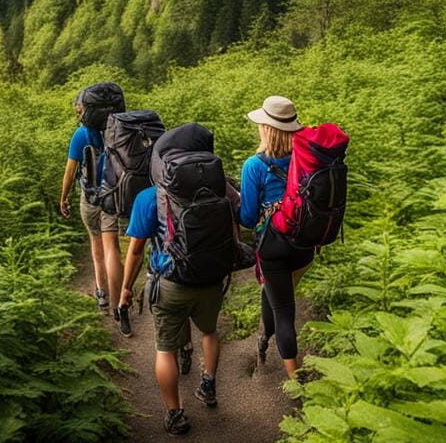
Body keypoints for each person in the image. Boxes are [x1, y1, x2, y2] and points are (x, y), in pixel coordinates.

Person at [121, 123, 232, 436]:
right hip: (211, 279)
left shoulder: (149, 197)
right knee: (209, 332)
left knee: (165, 350)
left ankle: (175, 414)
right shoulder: (223, 189)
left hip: (170, 283)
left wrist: (126, 289)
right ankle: (208, 385)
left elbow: (136, 251)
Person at [240, 95, 313, 380]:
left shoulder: (254, 165)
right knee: (276, 293)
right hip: (304, 247)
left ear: (265, 128)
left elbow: (248, 218)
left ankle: (295, 380)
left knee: (283, 310)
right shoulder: (306, 160)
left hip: (273, 248)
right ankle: (264, 338)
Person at [58, 84, 126, 331]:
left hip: (90, 199)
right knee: (112, 249)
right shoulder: (119, 130)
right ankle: (121, 305)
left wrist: (63, 198)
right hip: (113, 197)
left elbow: (70, 172)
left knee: (97, 250)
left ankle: (102, 297)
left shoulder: (82, 135)